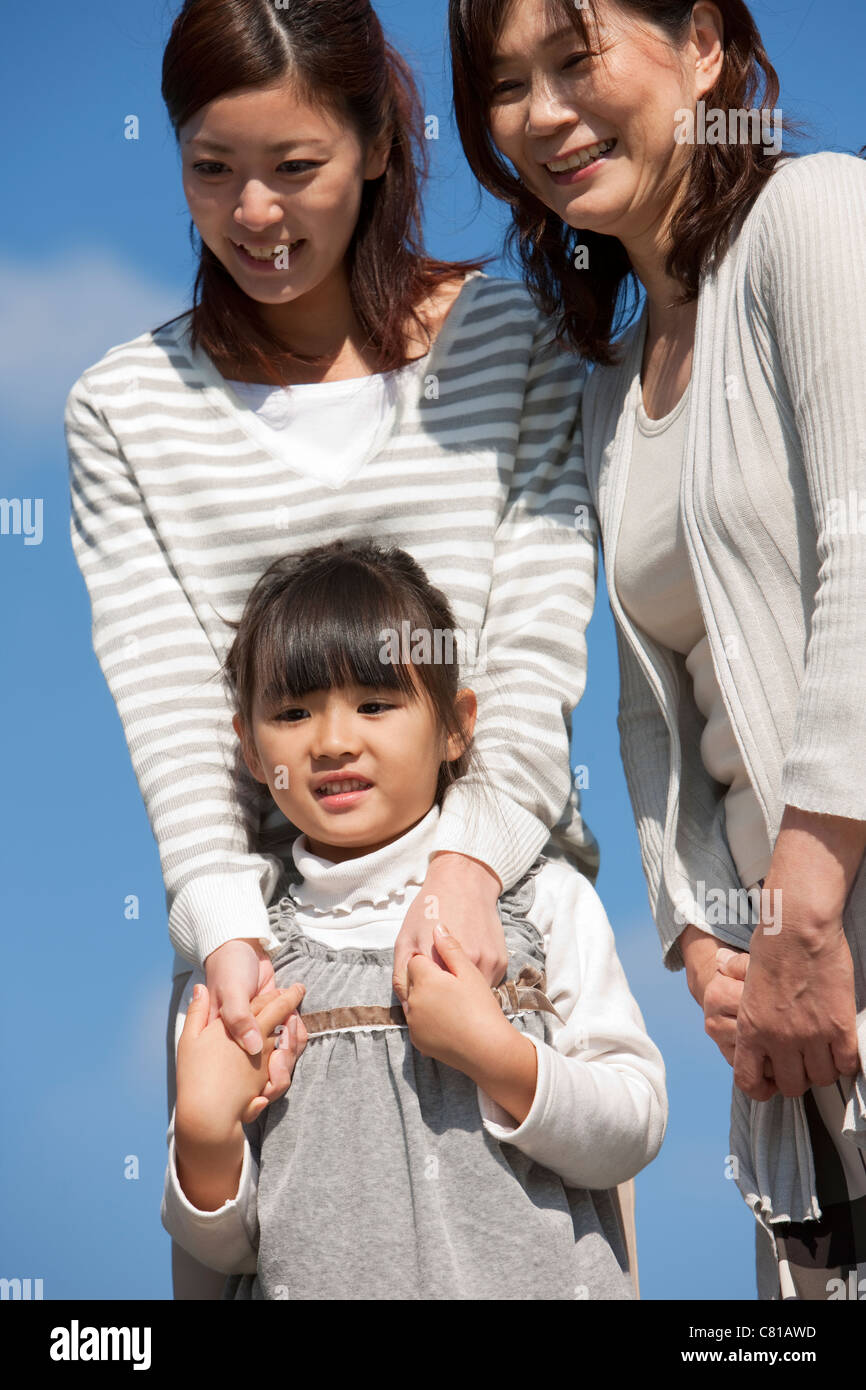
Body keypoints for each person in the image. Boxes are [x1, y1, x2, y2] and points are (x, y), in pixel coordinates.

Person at [65, 0, 602, 1298]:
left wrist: (468, 879)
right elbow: (177, 714)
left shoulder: (514, 342)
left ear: (372, 142)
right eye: (211, 167)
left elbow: (532, 652)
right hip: (270, 977)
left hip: (503, 941)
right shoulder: (122, 411)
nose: (253, 213)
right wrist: (236, 948)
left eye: (293, 167)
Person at [448, 0, 866, 1298]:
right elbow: (646, 709)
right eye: (507, 85)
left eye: (575, 58)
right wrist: (704, 944)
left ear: (700, 42)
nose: (544, 114)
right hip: (788, 1007)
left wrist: (800, 901)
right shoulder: (607, 387)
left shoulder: (814, 217)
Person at [160, 537, 667, 1300]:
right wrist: (203, 1136)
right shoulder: (241, 965)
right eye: (293, 712)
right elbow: (230, 1252)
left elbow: (634, 1125)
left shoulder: (540, 903)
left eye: (376, 704)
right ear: (252, 751)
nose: (332, 742)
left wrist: (498, 1055)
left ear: (457, 725)